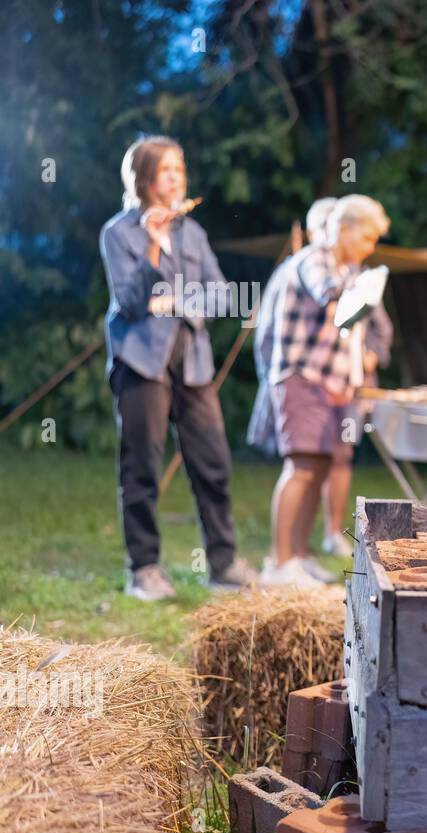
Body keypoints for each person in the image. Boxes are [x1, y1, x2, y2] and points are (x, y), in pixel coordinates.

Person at [99, 135, 257, 601]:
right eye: (166, 169)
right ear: (144, 177)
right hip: (140, 362)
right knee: (141, 467)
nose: (176, 176)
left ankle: (224, 564)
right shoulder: (118, 233)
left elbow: (223, 294)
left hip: (192, 362)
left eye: (179, 168)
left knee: (212, 462)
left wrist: (175, 302)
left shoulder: (193, 232)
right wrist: (150, 248)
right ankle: (143, 568)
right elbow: (128, 303)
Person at [247, 197, 392, 560]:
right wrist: (367, 288)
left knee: (321, 466)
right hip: (302, 379)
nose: (370, 247)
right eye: (367, 238)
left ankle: (299, 556)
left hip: (331, 387)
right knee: (301, 467)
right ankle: (279, 562)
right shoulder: (316, 259)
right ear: (343, 229)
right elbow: (329, 293)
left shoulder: (346, 268)